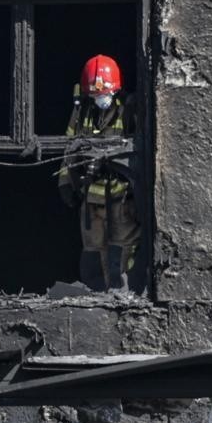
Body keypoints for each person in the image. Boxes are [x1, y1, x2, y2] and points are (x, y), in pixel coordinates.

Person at [55, 53, 139, 292]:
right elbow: (68, 149)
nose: (100, 99)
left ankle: (124, 298)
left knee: (121, 255)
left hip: (122, 198)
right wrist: (65, 184)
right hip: (91, 199)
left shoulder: (129, 111)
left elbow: (137, 151)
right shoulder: (83, 113)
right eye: (95, 95)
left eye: (103, 94)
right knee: (92, 257)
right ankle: (96, 299)